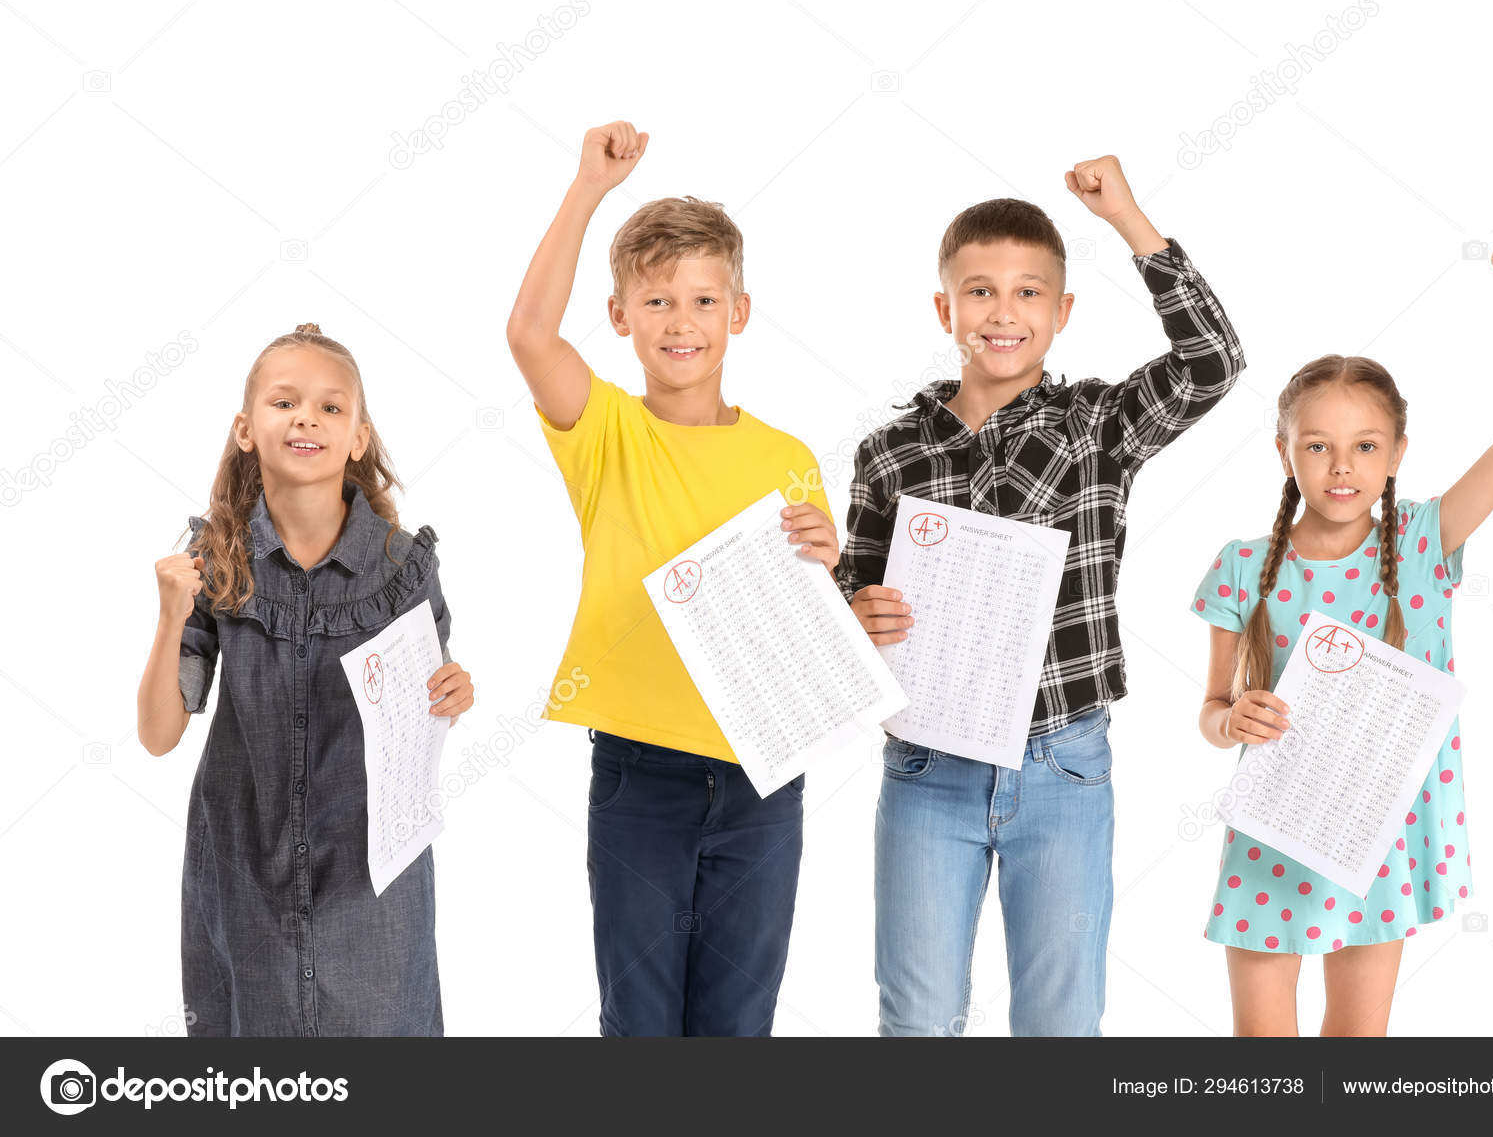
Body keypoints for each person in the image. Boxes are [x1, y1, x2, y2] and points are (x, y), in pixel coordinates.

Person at [838, 156, 1246, 1035]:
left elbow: (1213, 362)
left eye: (1029, 294)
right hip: (926, 766)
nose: (1002, 312)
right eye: (979, 292)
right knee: (916, 1016)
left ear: (1062, 314)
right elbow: (852, 590)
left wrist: (1131, 222)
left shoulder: (1098, 426)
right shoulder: (889, 452)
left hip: (1062, 762)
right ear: (945, 310)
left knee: (1060, 1023)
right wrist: (854, 607)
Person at [505, 121, 836, 1036]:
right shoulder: (607, 432)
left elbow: (808, 624)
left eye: (701, 300)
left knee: (738, 1023)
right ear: (619, 317)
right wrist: (587, 188)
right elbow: (529, 333)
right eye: (655, 303)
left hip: (762, 776)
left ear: (739, 311)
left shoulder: (789, 456)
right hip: (639, 774)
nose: (680, 322)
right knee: (640, 1022)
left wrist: (830, 562)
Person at [1189, 239, 1493, 1035]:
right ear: (1286, 454)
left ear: (1396, 455)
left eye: (1365, 446)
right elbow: (1212, 710)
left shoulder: (1422, 542)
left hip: (1376, 839)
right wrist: (1230, 719)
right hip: (1273, 830)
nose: (1341, 466)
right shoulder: (1244, 567)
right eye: (1318, 445)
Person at [136, 324, 474, 1036]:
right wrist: (170, 619)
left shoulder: (402, 567)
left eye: (329, 407)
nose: (306, 418)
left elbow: (430, 695)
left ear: (357, 436)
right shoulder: (214, 560)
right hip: (243, 870)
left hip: (368, 881)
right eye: (284, 402)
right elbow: (159, 733)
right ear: (246, 428)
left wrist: (456, 691)